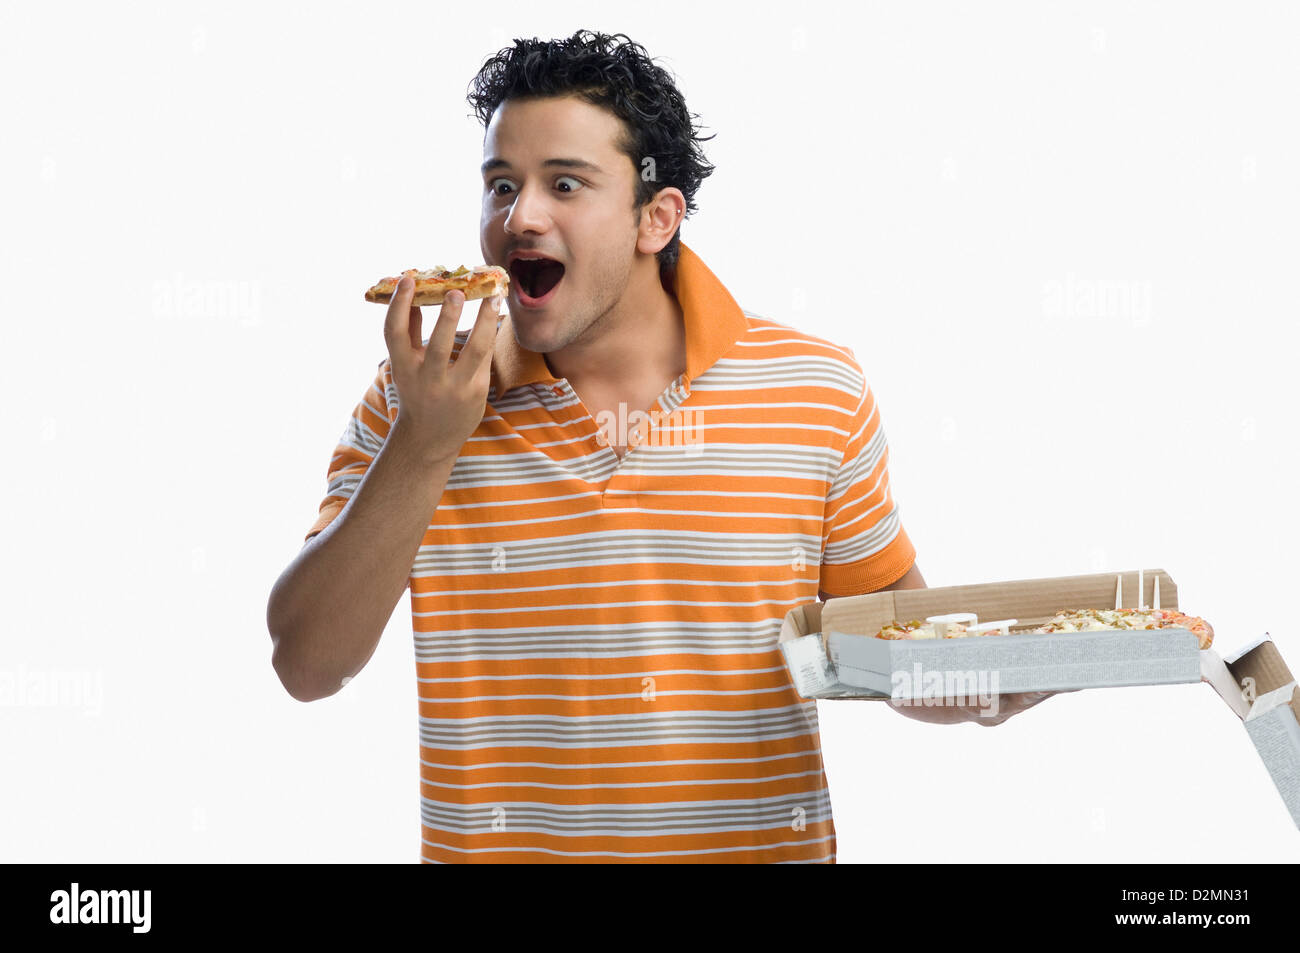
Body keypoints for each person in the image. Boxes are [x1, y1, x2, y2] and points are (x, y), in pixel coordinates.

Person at [266, 30, 1052, 864]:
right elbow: (307, 664)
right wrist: (424, 447)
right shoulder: (416, 394)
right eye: (501, 185)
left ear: (656, 217)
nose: (518, 217)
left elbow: (893, 653)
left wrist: (1008, 677)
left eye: (564, 183)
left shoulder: (815, 388)